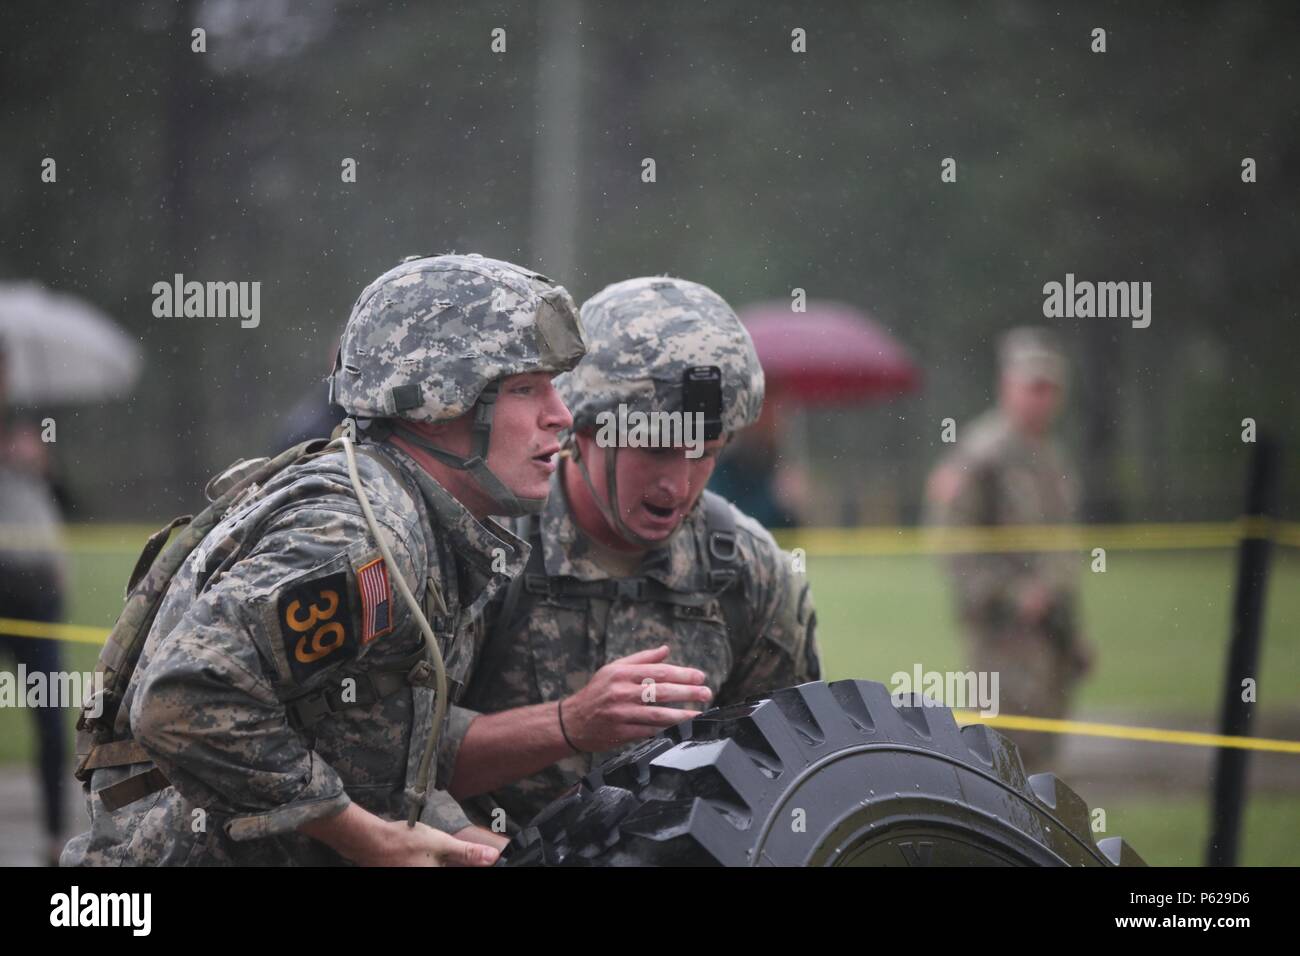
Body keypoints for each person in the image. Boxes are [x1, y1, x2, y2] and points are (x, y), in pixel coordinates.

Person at [61, 253, 586, 865]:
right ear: (441, 400)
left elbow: (361, 734)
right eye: (527, 389)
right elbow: (186, 698)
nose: (561, 415)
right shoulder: (363, 536)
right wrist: (368, 838)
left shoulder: (416, 518)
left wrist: (466, 842)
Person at [442, 276, 822, 834]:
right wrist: (569, 724)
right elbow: (389, 763)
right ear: (583, 429)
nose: (679, 484)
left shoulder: (747, 570)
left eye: (705, 453)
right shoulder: (483, 543)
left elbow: (795, 770)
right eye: (655, 450)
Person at [925, 327, 1094, 769]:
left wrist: (1073, 634)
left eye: (1051, 388)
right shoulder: (982, 454)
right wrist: (1013, 594)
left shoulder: (1052, 456)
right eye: (1033, 387)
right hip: (1004, 639)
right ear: (1008, 387)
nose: (1043, 398)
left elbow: (1060, 552)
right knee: (1006, 761)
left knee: (1048, 766)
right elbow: (951, 543)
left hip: (1050, 638)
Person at [0, 339, 71, 865]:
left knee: (50, 713)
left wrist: (39, 465)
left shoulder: (27, 424)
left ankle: (53, 835)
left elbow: (67, 502)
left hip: (36, 593)